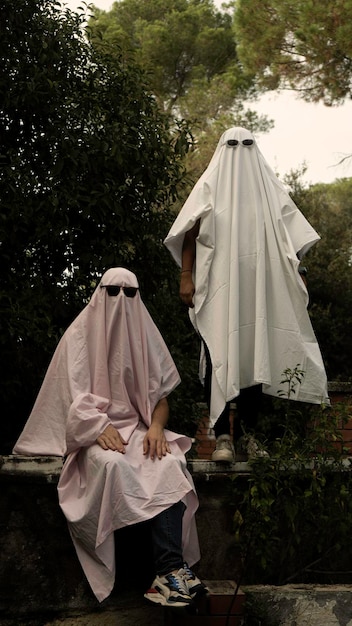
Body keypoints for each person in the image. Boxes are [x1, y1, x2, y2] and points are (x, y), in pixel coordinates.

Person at [13, 267, 207, 607]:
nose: (121, 302)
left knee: (171, 463)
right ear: (100, 292)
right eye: (113, 292)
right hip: (93, 434)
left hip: (138, 431)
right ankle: (168, 570)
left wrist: (158, 427)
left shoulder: (144, 334)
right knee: (114, 467)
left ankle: (169, 571)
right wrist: (97, 426)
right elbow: (68, 400)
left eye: (129, 294)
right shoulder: (78, 336)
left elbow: (160, 401)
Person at [164, 127, 330, 463]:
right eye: (233, 144)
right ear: (223, 149)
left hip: (259, 292)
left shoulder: (269, 190)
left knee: (256, 357)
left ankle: (250, 437)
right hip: (219, 290)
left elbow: (291, 236)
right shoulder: (209, 186)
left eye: (247, 145)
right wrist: (185, 276)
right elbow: (188, 231)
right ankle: (223, 437)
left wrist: (298, 274)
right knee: (218, 353)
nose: (240, 152)